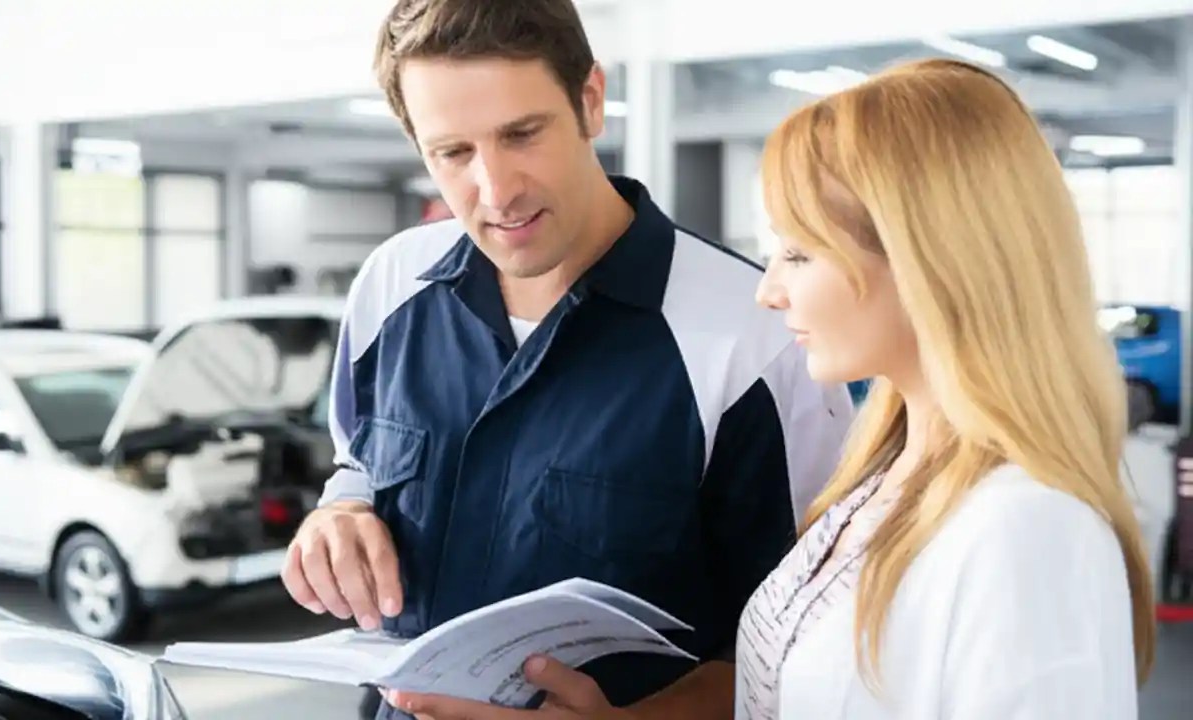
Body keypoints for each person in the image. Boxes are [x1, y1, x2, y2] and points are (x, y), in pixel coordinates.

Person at [278, 1, 853, 719]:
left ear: (589, 100)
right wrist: (341, 515)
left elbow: (810, 649)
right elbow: (356, 466)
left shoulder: (757, 334)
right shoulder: (391, 286)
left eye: (522, 134)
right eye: (452, 153)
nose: (497, 190)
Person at [729, 59, 1155, 719]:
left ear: (923, 258)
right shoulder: (884, 475)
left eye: (799, 253)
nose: (769, 290)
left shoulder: (1027, 530)